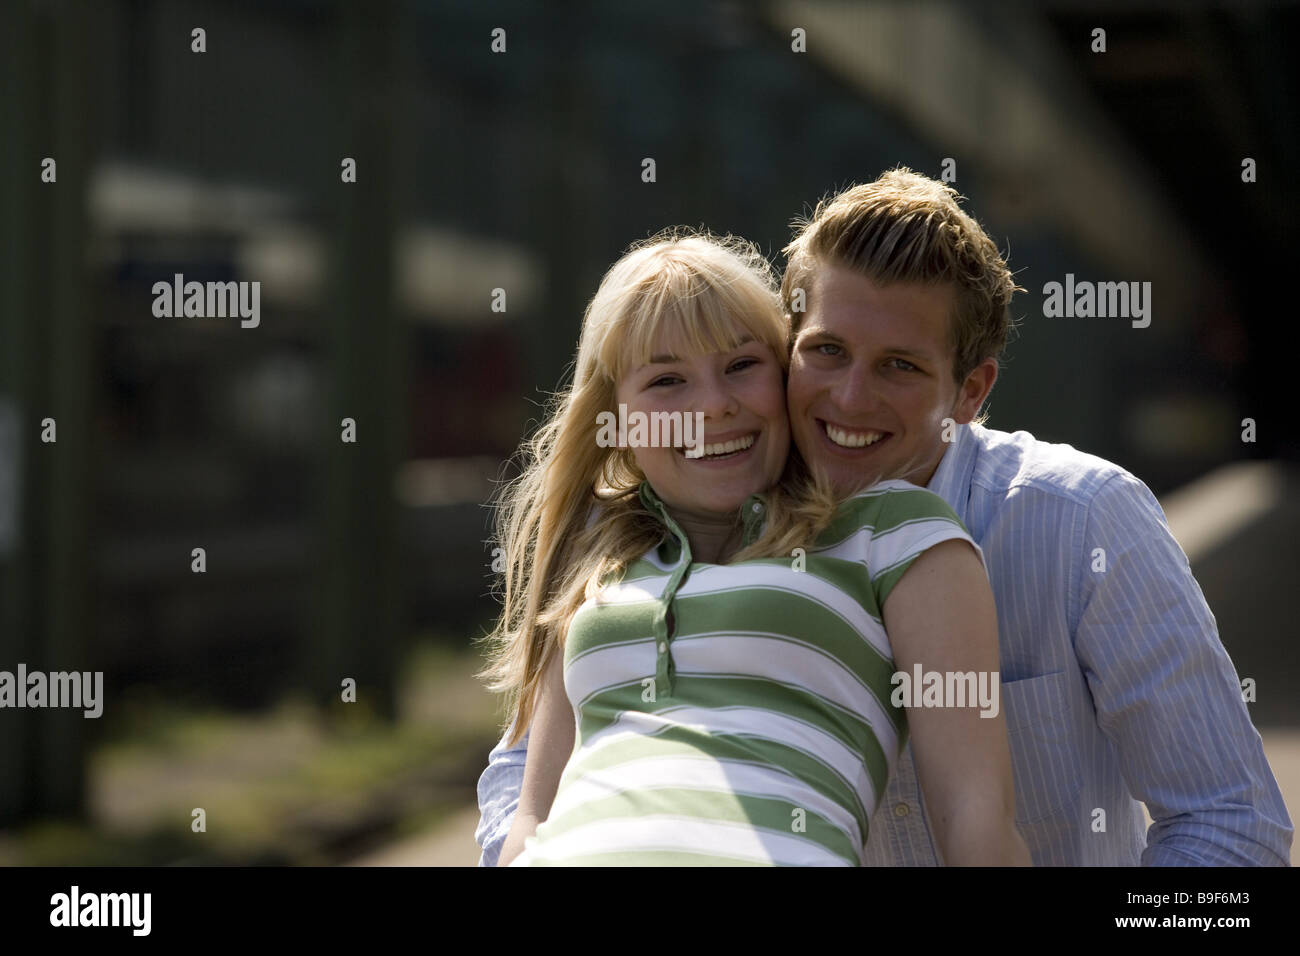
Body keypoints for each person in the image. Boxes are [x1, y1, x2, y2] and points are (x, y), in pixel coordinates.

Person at [478, 169, 1294, 867]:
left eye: (899, 367)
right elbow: (524, 777)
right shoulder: (696, 514)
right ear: (789, 338)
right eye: (826, 351)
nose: (848, 400)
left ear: (971, 392)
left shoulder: (1082, 522)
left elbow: (1231, 827)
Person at [476, 228, 1030, 866]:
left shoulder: (896, 532)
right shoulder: (595, 568)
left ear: (784, 373)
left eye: (742, 366)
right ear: (618, 417)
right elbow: (531, 819)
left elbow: (975, 815)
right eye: (666, 382)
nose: (713, 407)